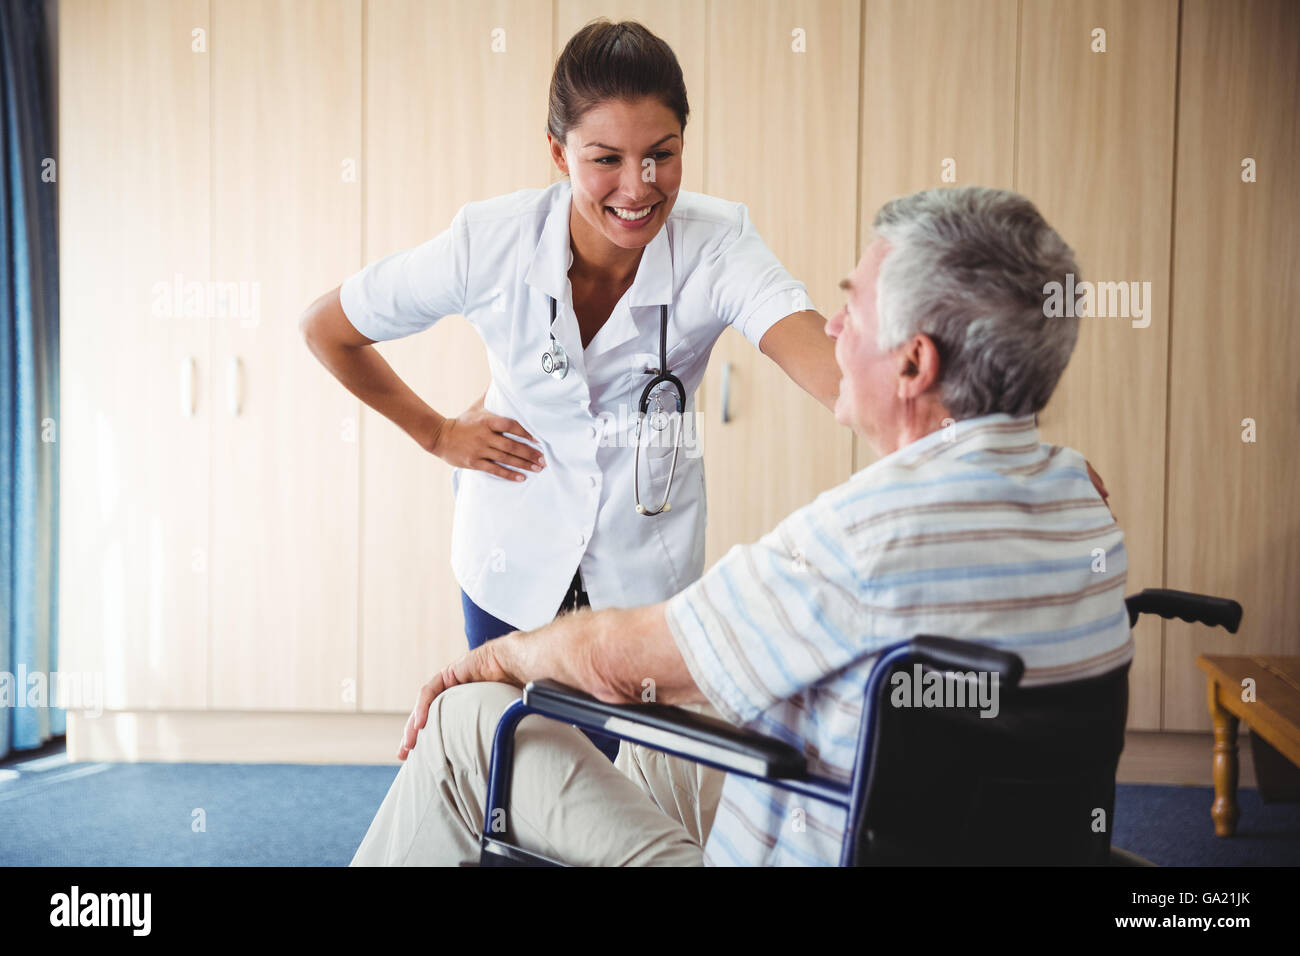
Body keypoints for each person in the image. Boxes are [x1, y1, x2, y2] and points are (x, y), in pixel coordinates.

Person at [347, 185, 1135, 866]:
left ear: (914, 365)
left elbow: (616, 663)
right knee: (670, 724)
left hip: (821, 840)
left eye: (851, 308)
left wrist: (484, 661)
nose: (830, 329)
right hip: (944, 831)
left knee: (467, 720)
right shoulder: (1081, 505)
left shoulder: (856, 541)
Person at [299, 19, 840, 761]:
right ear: (558, 153)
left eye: (662, 156)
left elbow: (819, 357)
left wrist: (917, 408)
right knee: (520, 780)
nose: (637, 187)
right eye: (605, 159)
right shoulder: (488, 242)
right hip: (510, 564)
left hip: (642, 579)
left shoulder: (718, 244)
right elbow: (327, 326)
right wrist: (436, 433)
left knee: (625, 790)